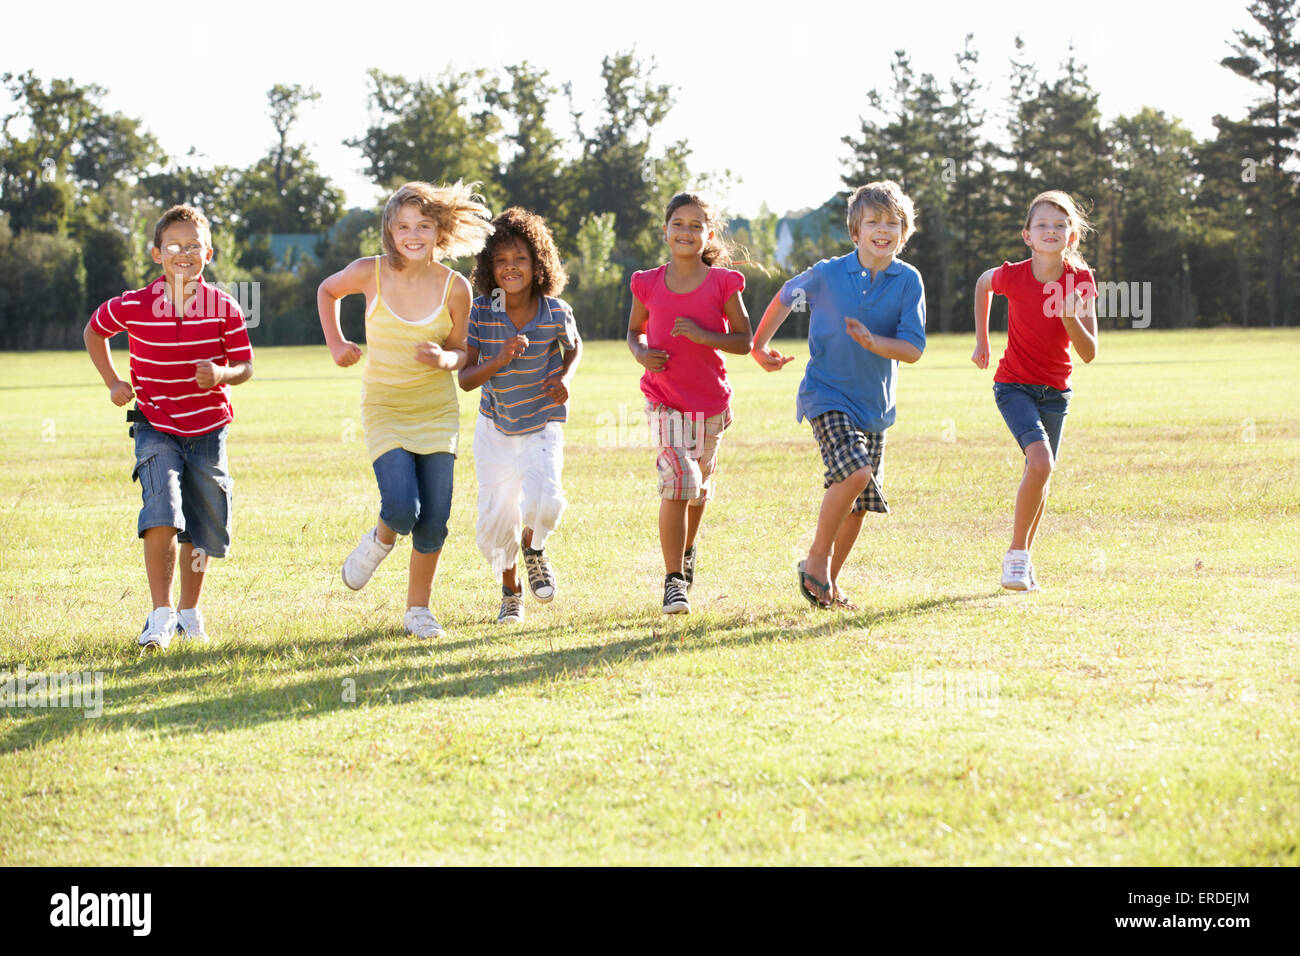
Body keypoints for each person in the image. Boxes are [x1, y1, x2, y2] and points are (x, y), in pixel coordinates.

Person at [318, 181, 491, 638]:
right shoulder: (368, 272)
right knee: (400, 507)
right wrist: (336, 343)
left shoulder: (455, 287)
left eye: (424, 226)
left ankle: (418, 610)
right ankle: (379, 540)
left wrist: (445, 359)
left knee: (434, 519)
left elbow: (463, 354)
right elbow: (327, 291)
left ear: (440, 230)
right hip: (386, 409)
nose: (413, 235)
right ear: (389, 233)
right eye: (403, 227)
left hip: (436, 414)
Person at [83, 204, 255, 648]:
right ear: (157, 253)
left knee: (202, 521)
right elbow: (94, 330)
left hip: (208, 429)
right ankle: (159, 615)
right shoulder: (135, 304)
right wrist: (113, 381)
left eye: (193, 245)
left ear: (208, 253)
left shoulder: (224, 306)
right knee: (162, 509)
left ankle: (189, 614)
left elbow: (245, 366)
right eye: (174, 245)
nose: (184, 252)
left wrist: (220, 374)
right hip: (155, 424)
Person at [751, 181, 925, 609]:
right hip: (825, 395)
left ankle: (825, 584)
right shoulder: (829, 273)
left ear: (904, 232)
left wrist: (874, 343)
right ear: (855, 231)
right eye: (873, 221)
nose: (883, 229)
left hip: (875, 408)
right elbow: (785, 296)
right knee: (856, 474)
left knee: (859, 504)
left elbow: (913, 349)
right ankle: (816, 560)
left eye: (893, 223)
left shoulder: (908, 281)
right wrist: (759, 346)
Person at [627, 192, 753, 615]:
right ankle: (673, 581)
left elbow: (743, 340)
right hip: (664, 400)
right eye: (678, 224)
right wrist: (642, 354)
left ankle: (687, 549)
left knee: (696, 490)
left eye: (696, 225)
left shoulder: (722, 283)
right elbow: (633, 331)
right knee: (680, 476)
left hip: (710, 404)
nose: (686, 231)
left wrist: (704, 336)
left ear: (709, 234)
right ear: (665, 231)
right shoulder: (646, 282)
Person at [459, 207, 581, 624]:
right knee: (498, 518)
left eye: (521, 259)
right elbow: (467, 379)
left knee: (546, 501)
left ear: (539, 263)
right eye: (502, 261)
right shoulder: (480, 311)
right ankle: (511, 594)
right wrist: (501, 358)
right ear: (489, 267)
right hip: (495, 427)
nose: (511, 268)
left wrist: (565, 375)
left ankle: (534, 547)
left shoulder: (555, 311)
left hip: (543, 421)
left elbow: (574, 347)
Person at [971, 190, 1097, 591]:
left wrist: (1069, 317)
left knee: (1039, 472)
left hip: (1056, 392)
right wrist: (982, 341)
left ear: (1072, 237)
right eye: (1042, 224)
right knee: (1040, 463)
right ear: (1027, 235)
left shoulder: (1080, 280)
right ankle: (1016, 557)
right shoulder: (1014, 275)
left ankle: (1021, 560)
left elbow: (1089, 352)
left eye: (1060, 225)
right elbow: (982, 283)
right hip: (1013, 386)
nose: (1051, 230)